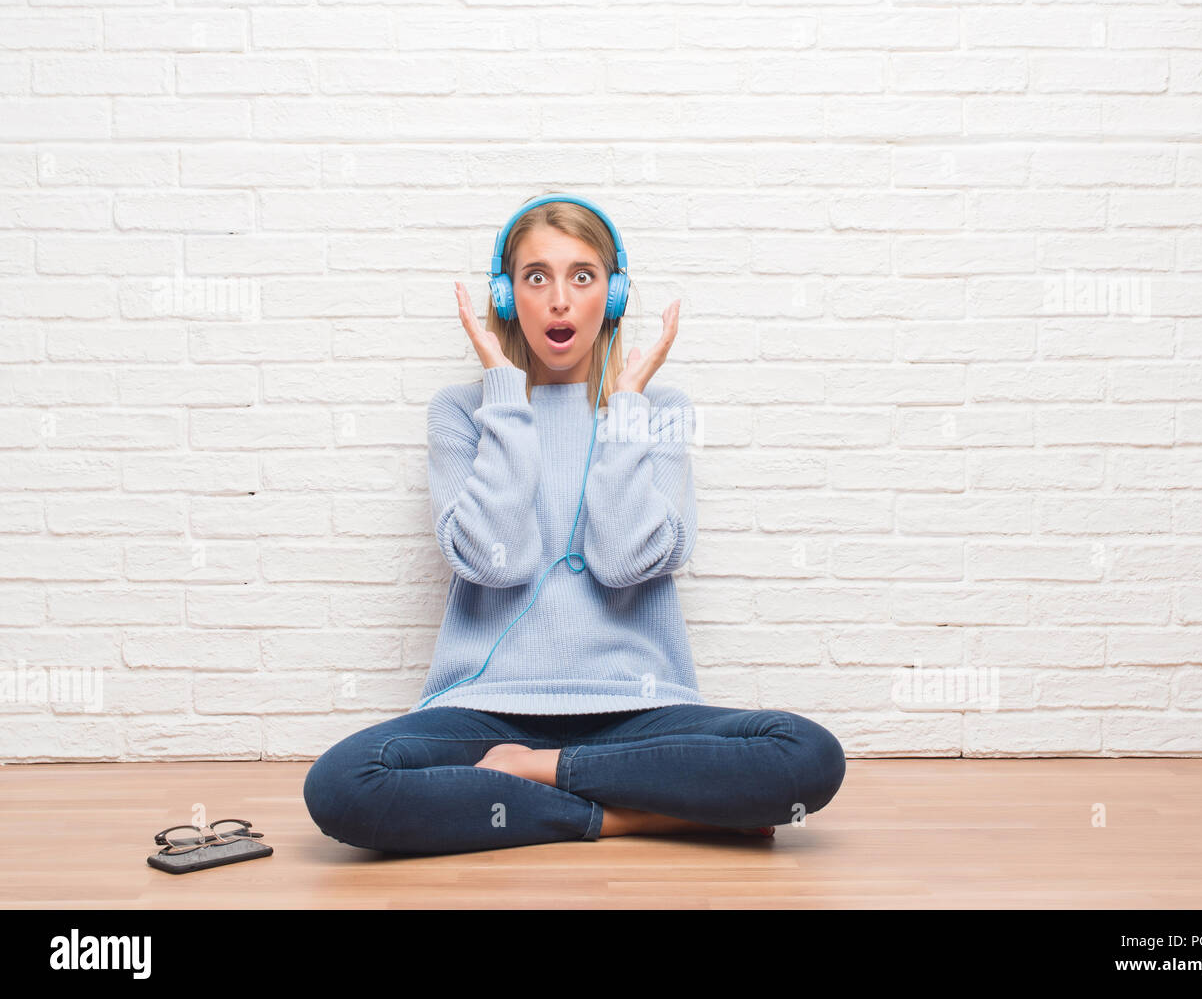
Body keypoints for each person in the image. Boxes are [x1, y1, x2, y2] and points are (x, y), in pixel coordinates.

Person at [302, 195, 846, 854]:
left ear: (612, 297)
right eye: (537, 277)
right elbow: (495, 562)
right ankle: (640, 816)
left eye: (582, 277)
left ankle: (544, 779)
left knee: (808, 755)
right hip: (487, 712)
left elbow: (623, 560)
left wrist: (623, 411)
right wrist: (504, 395)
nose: (560, 300)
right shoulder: (464, 412)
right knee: (342, 786)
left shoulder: (657, 409)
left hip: (640, 712)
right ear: (507, 298)